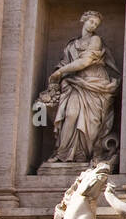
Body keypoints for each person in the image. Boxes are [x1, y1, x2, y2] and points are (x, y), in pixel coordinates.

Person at [46, 10, 120, 162]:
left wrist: (60, 72)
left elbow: (85, 62)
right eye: (91, 21)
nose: (93, 25)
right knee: (70, 115)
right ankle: (63, 153)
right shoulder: (72, 45)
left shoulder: (96, 40)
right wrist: (60, 74)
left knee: (91, 123)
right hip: (75, 83)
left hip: (94, 83)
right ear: (83, 20)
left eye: (96, 24)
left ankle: (82, 154)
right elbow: (65, 63)